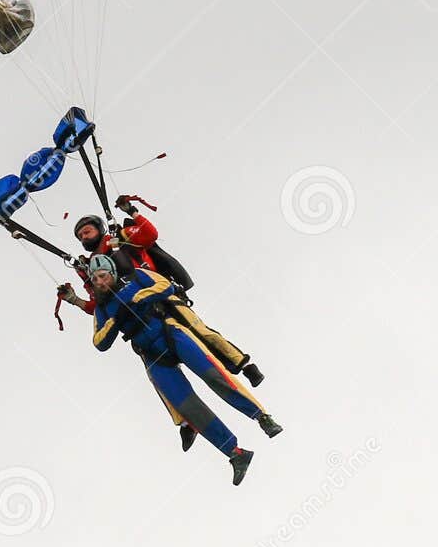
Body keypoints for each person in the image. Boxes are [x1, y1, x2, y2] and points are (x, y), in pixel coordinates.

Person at [81, 253, 281, 486]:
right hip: (151, 355)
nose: (101, 283)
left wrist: (138, 297)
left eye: (103, 276)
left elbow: (165, 286)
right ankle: (235, 453)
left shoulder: (136, 278)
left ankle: (262, 417)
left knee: (214, 376)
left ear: (112, 273)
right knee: (186, 405)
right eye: (95, 280)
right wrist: (115, 321)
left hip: (172, 333)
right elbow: (99, 342)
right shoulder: (103, 310)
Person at [71, 208, 265, 390]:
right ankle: (186, 417)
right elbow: (100, 305)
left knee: (199, 331)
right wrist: (75, 300)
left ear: (99, 229)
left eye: (86, 232)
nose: (84, 237)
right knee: (158, 363)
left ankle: (245, 366)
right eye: (80, 237)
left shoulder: (121, 237)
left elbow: (149, 235)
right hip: (140, 315)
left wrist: (132, 211)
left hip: (161, 294)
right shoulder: (93, 270)